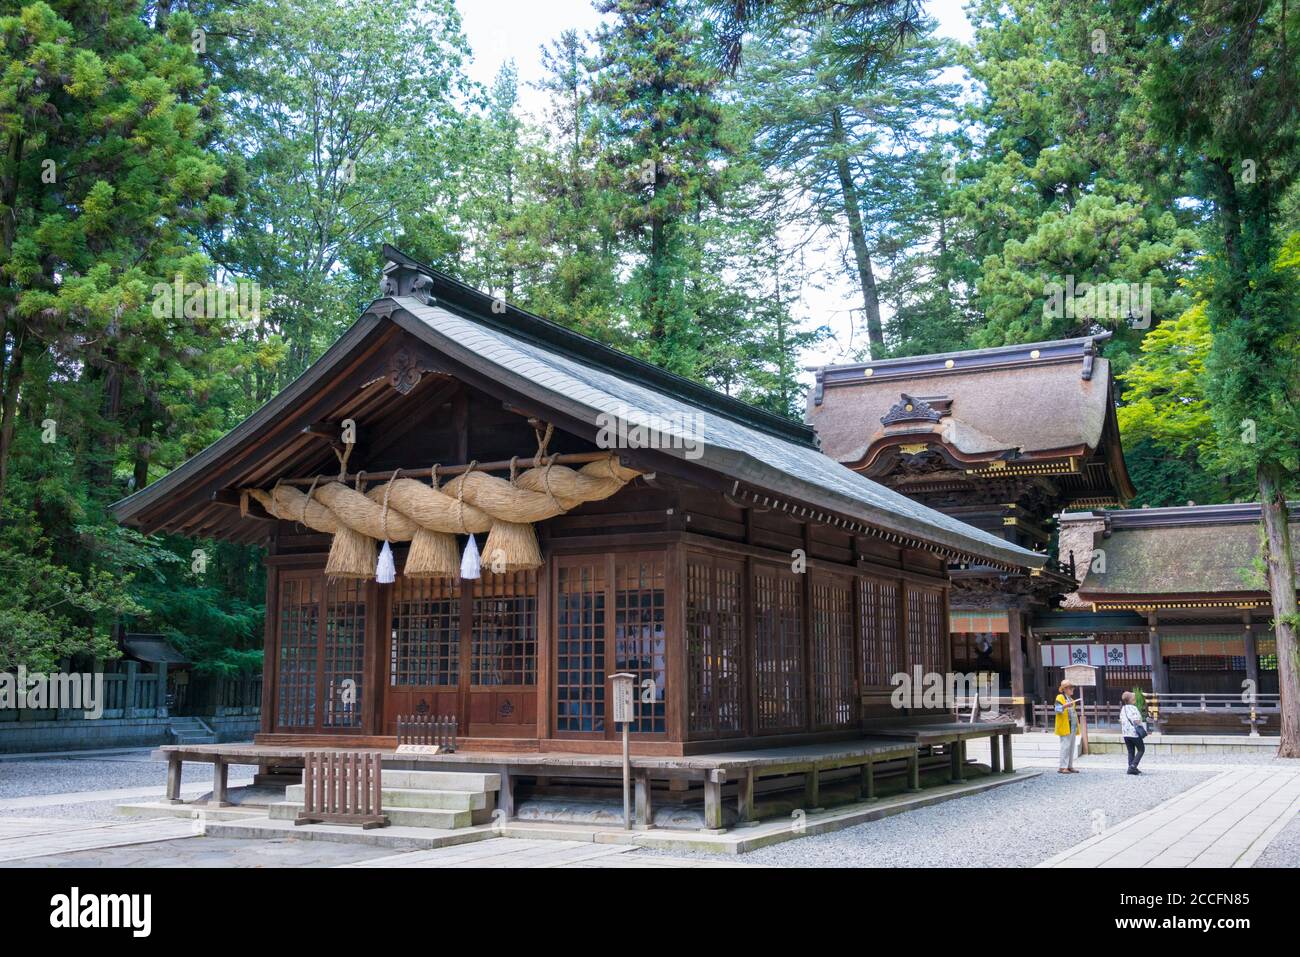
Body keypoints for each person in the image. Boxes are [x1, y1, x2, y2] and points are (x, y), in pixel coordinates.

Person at [1054, 680, 1079, 773]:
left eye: (1072, 687)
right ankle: (1062, 766)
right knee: (1065, 746)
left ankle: (1069, 765)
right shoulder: (1060, 697)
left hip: (1072, 726)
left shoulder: (1071, 700)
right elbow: (1057, 709)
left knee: (1071, 747)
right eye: (1070, 688)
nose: (1072, 689)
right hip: (1065, 726)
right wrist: (1065, 706)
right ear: (1065, 689)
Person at [1120, 691, 1147, 775]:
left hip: (1125, 733)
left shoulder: (1123, 709)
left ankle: (1130, 767)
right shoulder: (1133, 708)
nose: (1135, 699)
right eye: (1133, 698)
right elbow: (1136, 720)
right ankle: (1133, 766)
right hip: (1134, 733)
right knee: (1141, 749)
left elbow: (1121, 720)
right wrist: (1142, 724)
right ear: (1131, 700)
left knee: (1131, 751)